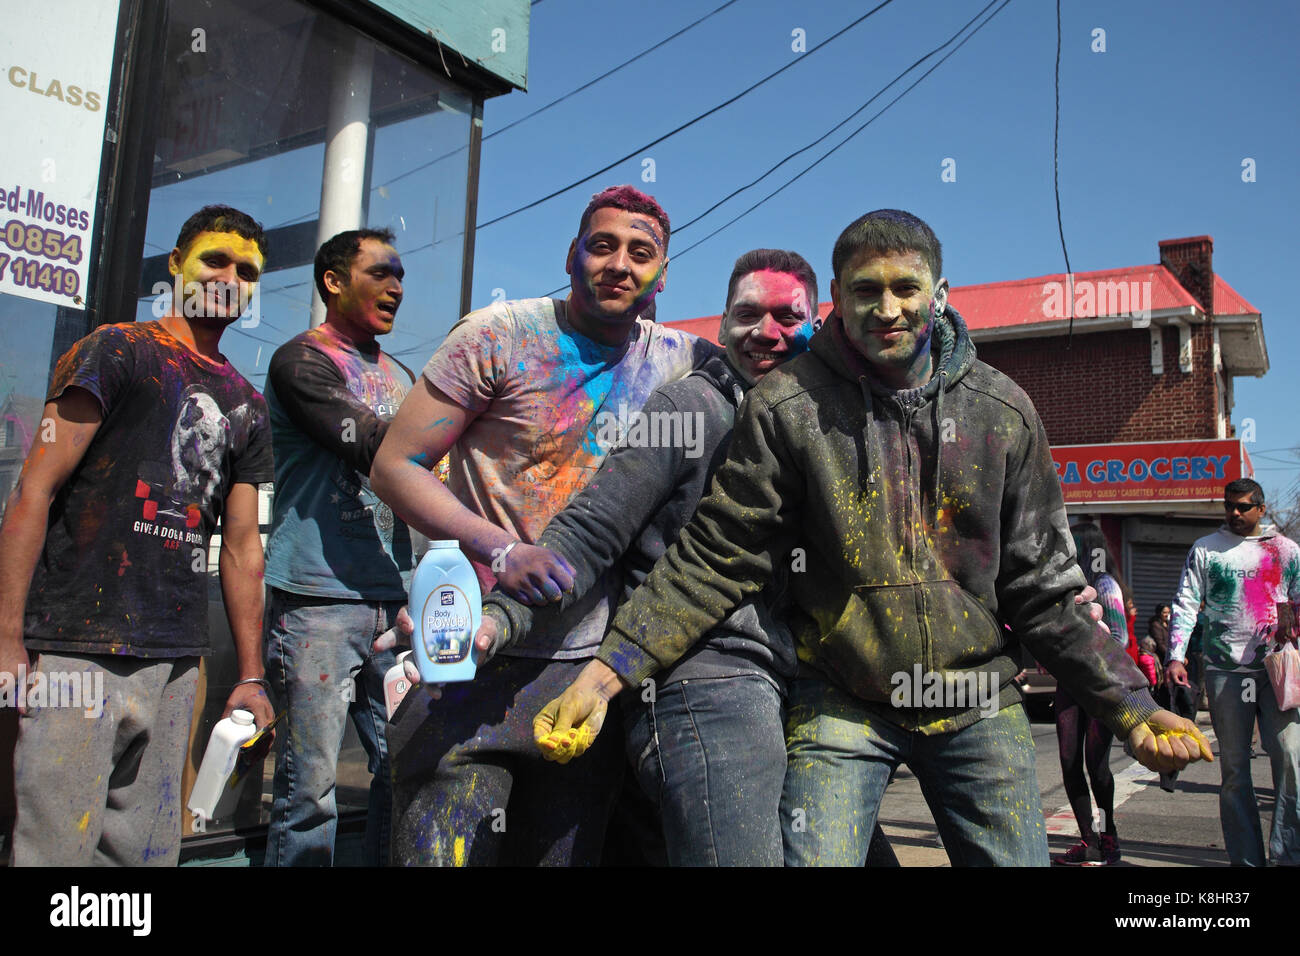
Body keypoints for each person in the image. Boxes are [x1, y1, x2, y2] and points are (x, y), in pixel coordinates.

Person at [533, 208, 1211, 867]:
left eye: (905, 288)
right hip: (842, 701)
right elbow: (715, 556)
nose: (886, 309)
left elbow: (1044, 587)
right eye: (865, 291)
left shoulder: (1002, 411)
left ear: (939, 295)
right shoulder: (787, 407)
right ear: (836, 298)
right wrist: (606, 674)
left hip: (975, 696)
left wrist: (1132, 706)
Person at [369, 185, 716, 866]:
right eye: (602, 244)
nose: (619, 263)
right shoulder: (498, 335)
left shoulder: (684, 363)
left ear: (663, 276)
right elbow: (395, 466)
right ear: (572, 254)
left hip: (586, 684)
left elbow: (783, 362)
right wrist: (500, 551)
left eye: (640, 253)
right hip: (467, 662)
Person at [0, 205, 275, 865]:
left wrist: (250, 675)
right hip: (74, 650)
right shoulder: (117, 349)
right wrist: (6, 639)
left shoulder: (247, 404)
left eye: (247, 271)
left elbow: (242, 548)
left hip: (174, 661)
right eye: (215, 259)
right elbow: (33, 489)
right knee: (53, 854)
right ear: (176, 264)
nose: (230, 277)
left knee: (145, 858)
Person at [261, 228, 415, 866]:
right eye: (381, 272)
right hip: (316, 602)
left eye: (401, 275)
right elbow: (372, 443)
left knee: (404, 772)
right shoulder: (302, 361)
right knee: (311, 792)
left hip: (394, 605)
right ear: (332, 280)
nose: (397, 287)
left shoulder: (401, 374)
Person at [1166, 477, 1300, 865]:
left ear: (1261, 509)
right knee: (1235, 770)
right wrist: (1176, 655)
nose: (1235, 513)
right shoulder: (1206, 550)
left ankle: (1287, 856)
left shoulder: (1287, 551)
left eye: (1243, 507)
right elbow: (1186, 602)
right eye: (1230, 506)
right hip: (1225, 671)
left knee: (1290, 758)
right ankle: (1246, 860)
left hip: (1278, 671)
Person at [1052, 523, 1132, 866]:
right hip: (1070, 684)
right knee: (1070, 762)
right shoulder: (1069, 589)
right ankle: (1089, 841)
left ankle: (1109, 837)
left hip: (1100, 685)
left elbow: (1120, 638)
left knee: (1097, 766)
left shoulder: (1105, 585)